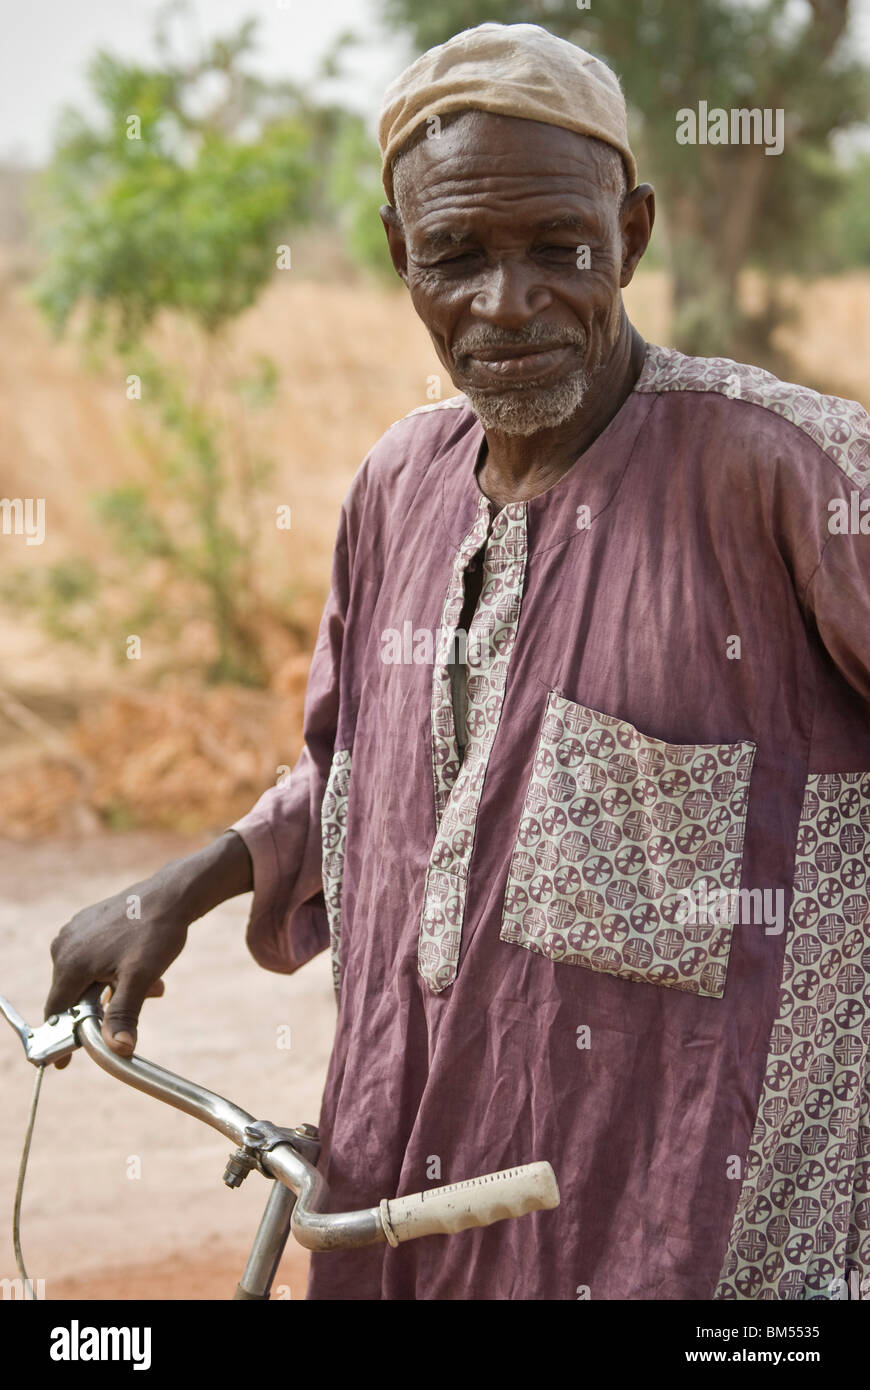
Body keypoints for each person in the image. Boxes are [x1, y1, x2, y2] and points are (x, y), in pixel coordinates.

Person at [45, 22, 870, 1301]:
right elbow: (371, 772)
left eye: (560, 249)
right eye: (457, 257)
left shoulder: (788, 472)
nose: (507, 303)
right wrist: (190, 881)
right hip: (405, 1212)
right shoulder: (396, 485)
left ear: (633, 235)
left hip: (697, 1257)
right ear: (398, 254)